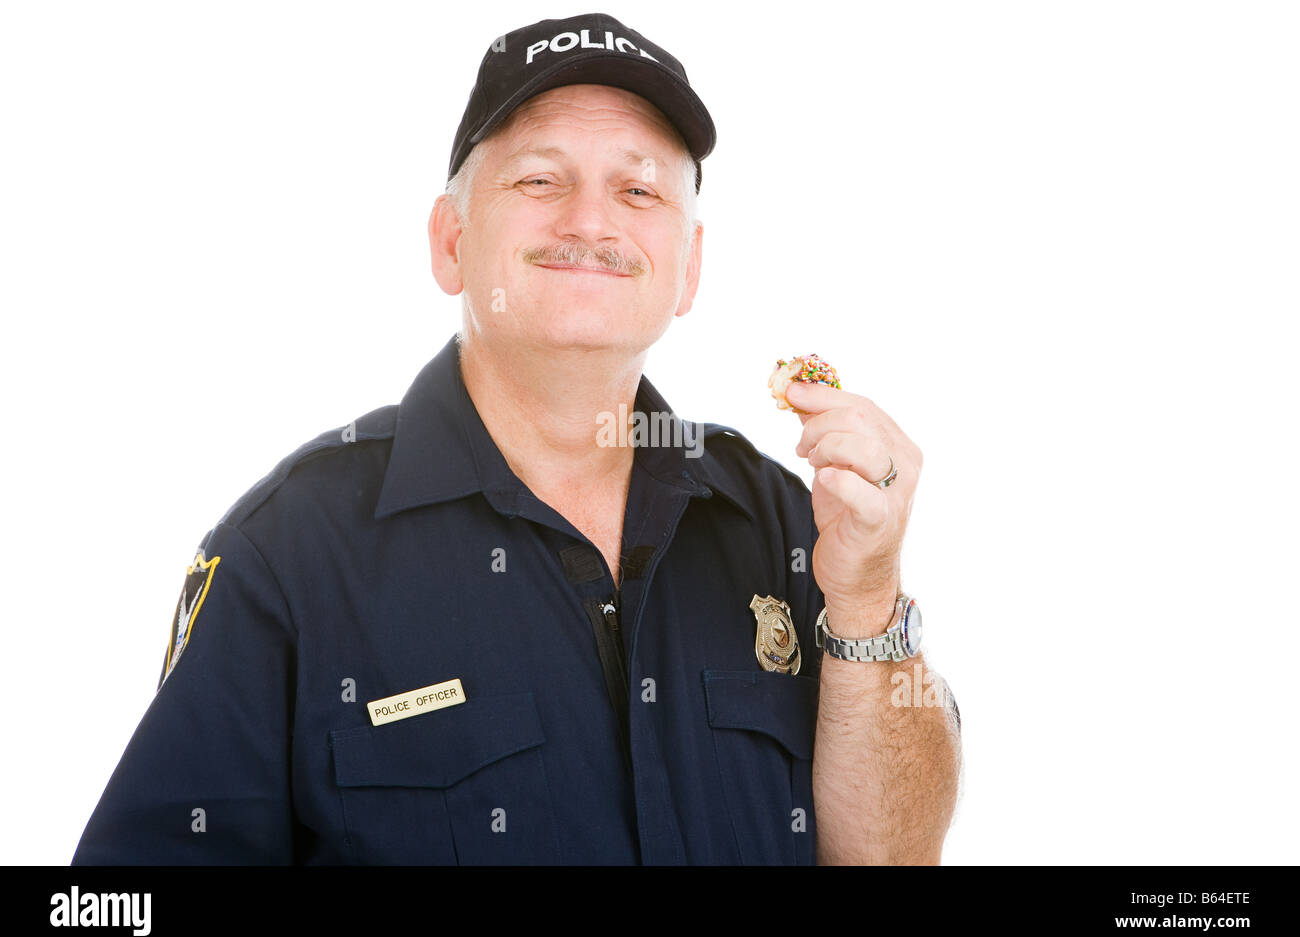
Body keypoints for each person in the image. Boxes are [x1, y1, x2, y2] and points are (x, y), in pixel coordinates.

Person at [72, 12, 961, 866]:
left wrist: (869, 604)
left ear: (689, 268)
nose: (590, 222)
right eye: (541, 180)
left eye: (639, 189)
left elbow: (894, 857)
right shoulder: (290, 554)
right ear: (451, 239)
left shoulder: (785, 519)